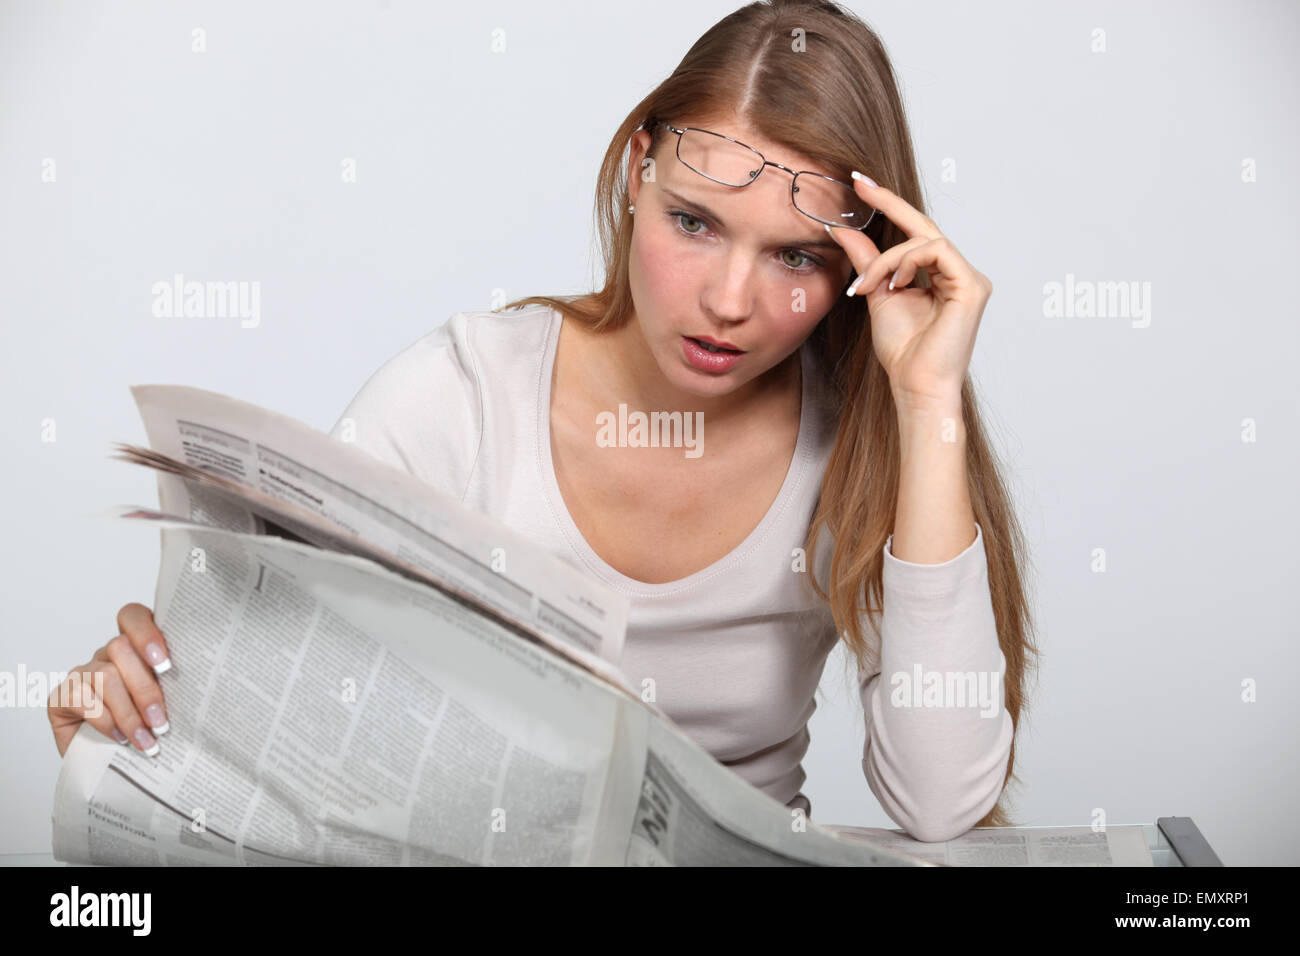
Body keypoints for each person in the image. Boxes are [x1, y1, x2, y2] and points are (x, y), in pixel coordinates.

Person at [49, 0, 1037, 843]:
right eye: (693, 223)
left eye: (793, 257)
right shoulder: (463, 396)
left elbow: (941, 801)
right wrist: (140, 711)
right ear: (637, 169)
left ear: (865, 264)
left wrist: (925, 400)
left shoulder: (862, 441)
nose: (729, 299)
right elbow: (299, 730)